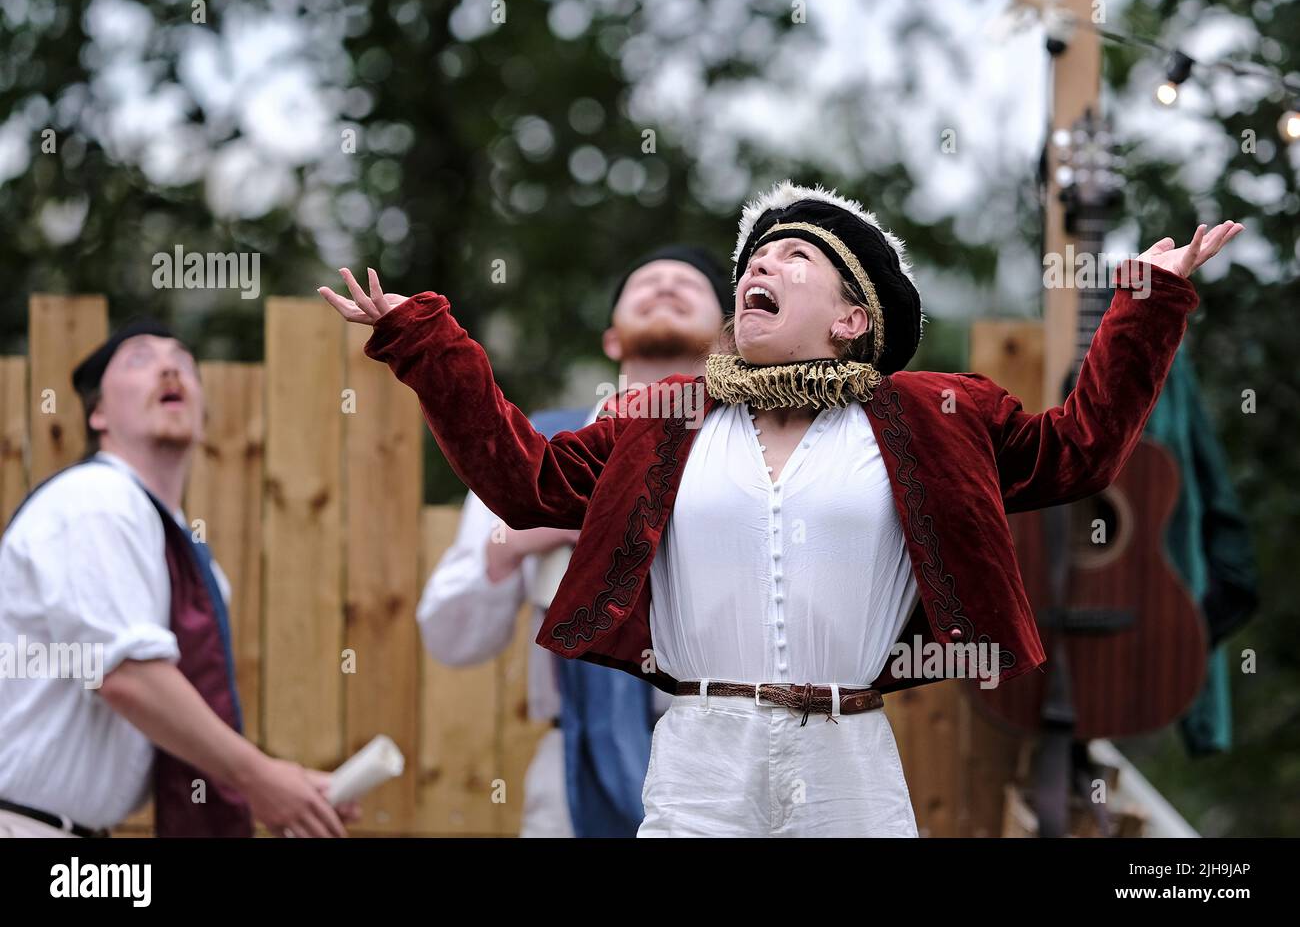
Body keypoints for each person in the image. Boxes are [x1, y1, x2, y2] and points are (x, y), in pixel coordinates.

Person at [319, 179, 1242, 837]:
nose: (763, 261)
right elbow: (526, 482)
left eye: (795, 255)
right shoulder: (664, 417)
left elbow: (1078, 450)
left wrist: (1147, 307)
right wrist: (425, 342)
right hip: (699, 758)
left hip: (849, 758)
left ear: (852, 319)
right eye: (756, 256)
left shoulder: (932, 414)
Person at [0, 320, 359, 838]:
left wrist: (288, 784)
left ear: (203, 417)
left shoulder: (188, 558)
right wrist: (258, 778)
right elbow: (128, 676)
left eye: (185, 363)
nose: (170, 367)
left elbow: (176, 711)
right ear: (97, 412)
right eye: (140, 358)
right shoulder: (94, 503)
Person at [417, 246, 729, 836]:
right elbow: (449, 636)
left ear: (725, 339)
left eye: (687, 282)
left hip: (722, 760)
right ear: (613, 340)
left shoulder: (754, 450)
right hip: (569, 782)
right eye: (646, 281)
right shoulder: (535, 450)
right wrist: (514, 540)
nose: (664, 283)